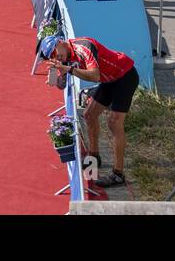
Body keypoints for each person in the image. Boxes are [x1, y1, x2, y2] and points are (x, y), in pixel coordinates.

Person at [39, 35, 138, 188]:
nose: (55, 56)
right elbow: (62, 84)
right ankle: (94, 156)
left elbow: (94, 75)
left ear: (59, 43)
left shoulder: (84, 46)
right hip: (109, 80)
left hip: (124, 76)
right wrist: (56, 79)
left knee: (114, 122)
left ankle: (118, 174)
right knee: (89, 115)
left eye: (54, 52)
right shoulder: (65, 54)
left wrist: (69, 69)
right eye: (51, 56)